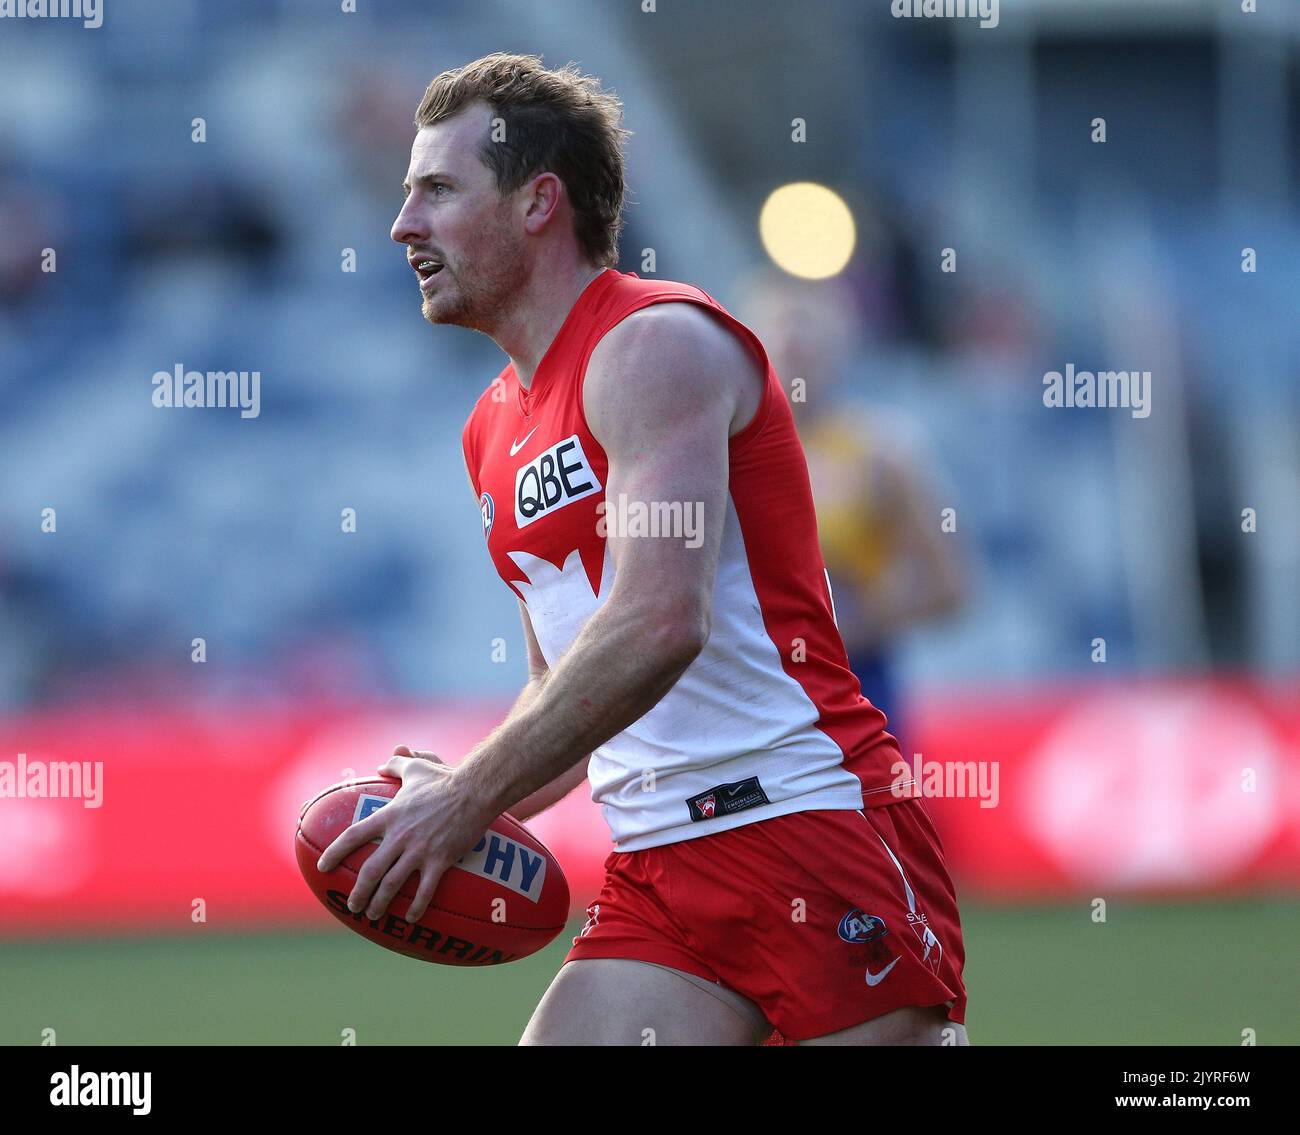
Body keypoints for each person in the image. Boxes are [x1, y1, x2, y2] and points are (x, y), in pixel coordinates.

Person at [317, 52, 968, 1046]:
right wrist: (450, 789)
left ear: (538, 204)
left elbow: (661, 622)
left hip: (805, 822)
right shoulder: (488, 428)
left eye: (438, 190)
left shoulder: (653, 346)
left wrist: (471, 796)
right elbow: (562, 687)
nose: (403, 224)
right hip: (659, 865)